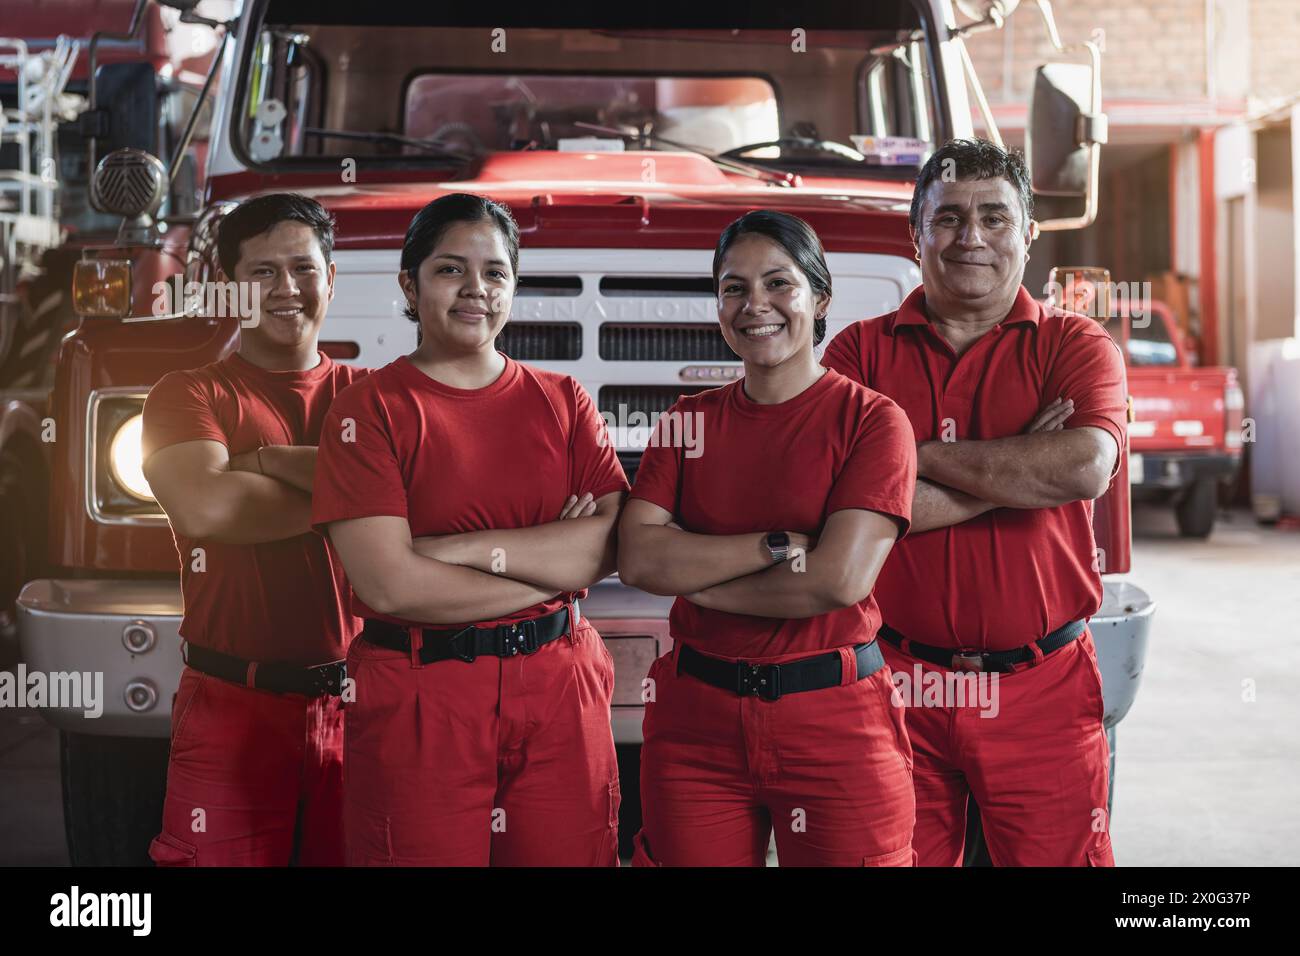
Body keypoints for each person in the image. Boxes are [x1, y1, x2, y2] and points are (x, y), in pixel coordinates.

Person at [822, 138, 1128, 866]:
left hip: (1042, 687)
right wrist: (1017, 468)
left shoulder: (1077, 347)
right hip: (895, 681)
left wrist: (908, 456)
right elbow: (838, 505)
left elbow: (1084, 467)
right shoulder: (857, 355)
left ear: (1027, 234)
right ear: (915, 232)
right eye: (949, 217)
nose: (971, 238)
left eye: (995, 217)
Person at [311, 192, 628, 866]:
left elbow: (610, 546)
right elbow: (389, 586)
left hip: (559, 692)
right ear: (410, 283)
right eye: (451, 270)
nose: (475, 290)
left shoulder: (563, 400)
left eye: (495, 273)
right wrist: (552, 564)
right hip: (422, 696)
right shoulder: (366, 410)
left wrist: (456, 554)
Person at [619, 210, 917, 867]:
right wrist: (776, 546)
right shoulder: (686, 421)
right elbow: (639, 557)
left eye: (778, 283)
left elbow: (838, 581)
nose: (756, 305)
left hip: (836, 723)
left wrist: (694, 574)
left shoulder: (873, 422)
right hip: (697, 726)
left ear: (820, 297)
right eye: (734, 288)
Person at [142, 193, 367, 865]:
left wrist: (264, 463)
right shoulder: (187, 394)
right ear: (226, 287)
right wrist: (360, 493)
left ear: (331, 279)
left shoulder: (374, 395)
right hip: (230, 705)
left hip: (364, 710)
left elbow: (422, 494)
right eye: (261, 272)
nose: (286, 289)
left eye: (303, 268)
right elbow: (207, 508)